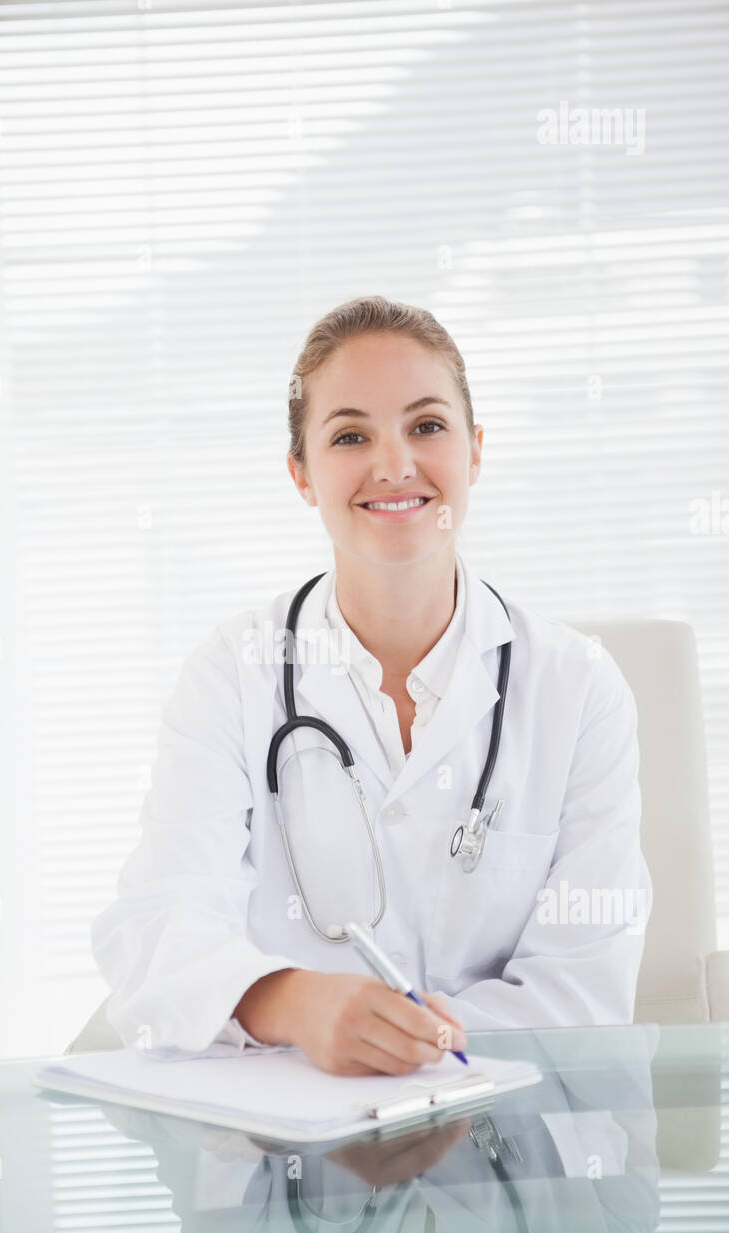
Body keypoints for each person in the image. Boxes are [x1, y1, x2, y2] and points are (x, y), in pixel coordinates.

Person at [91, 295, 651, 1077]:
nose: (394, 465)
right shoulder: (233, 674)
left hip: (510, 1136)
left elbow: (587, 988)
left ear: (476, 451)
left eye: (427, 426)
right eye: (350, 435)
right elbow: (157, 926)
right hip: (289, 1145)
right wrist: (296, 1002)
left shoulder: (578, 688)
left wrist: (412, 1046)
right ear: (301, 473)